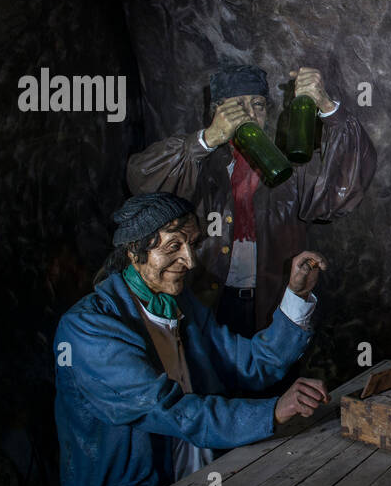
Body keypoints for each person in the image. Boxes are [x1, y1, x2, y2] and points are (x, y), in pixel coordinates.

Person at [54, 192, 330, 486]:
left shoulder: (180, 305)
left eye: (193, 244)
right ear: (135, 252)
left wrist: (296, 293)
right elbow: (170, 411)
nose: (189, 259)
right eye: (173, 246)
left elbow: (253, 364)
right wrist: (272, 413)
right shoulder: (88, 328)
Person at [127, 64, 376, 335]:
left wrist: (328, 107)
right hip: (205, 306)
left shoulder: (289, 166)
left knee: (271, 369)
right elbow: (142, 180)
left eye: (258, 104)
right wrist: (207, 140)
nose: (249, 113)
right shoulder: (198, 164)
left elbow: (347, 184)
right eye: (237, 106)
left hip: (272, 306)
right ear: (217, 113)